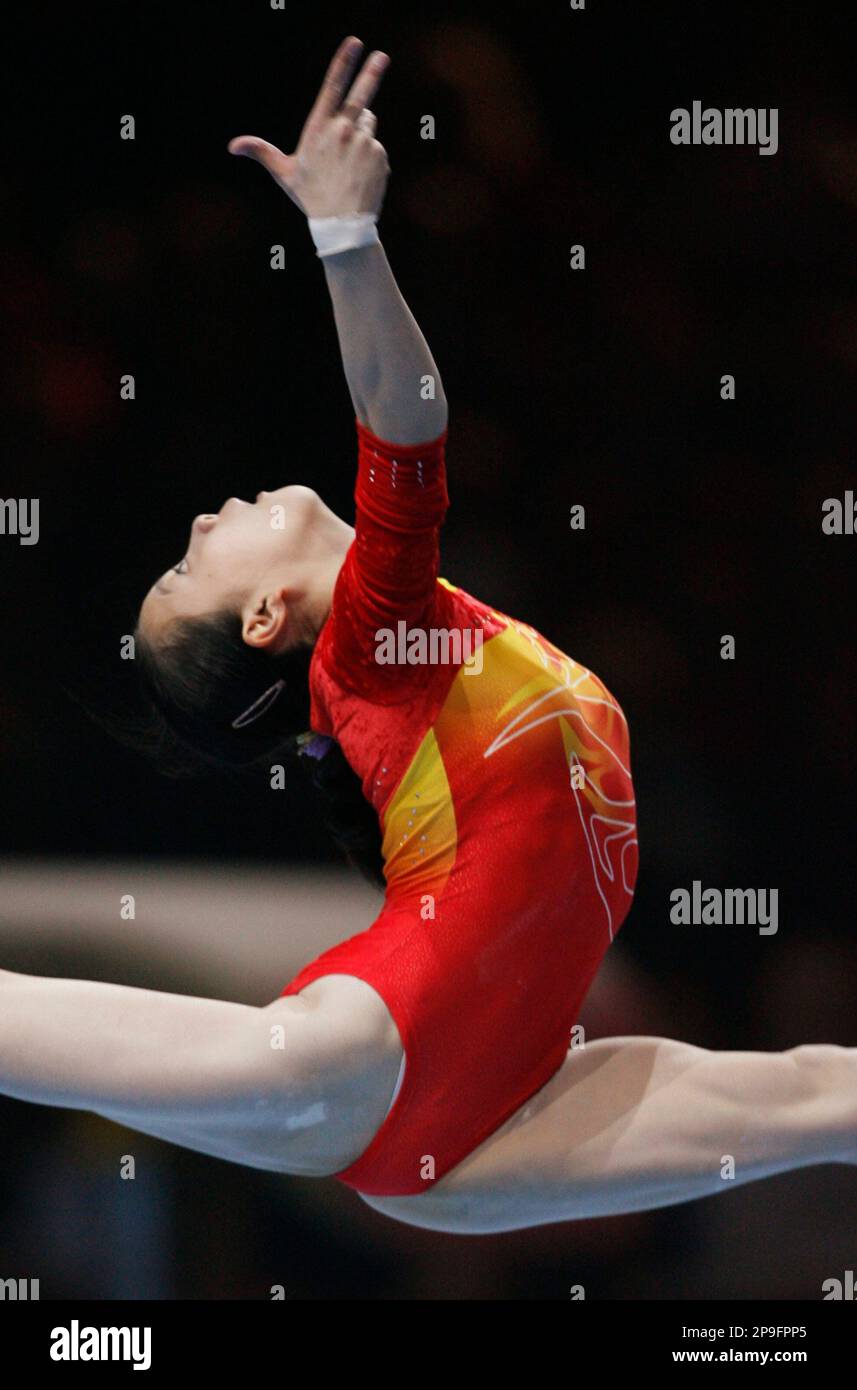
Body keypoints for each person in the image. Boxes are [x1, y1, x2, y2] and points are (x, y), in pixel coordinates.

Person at [2, 36, 853, 1237]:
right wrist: (345, 237)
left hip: (489, 1137)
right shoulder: (368, 639)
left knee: (829, 1089)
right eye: (189, 561)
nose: (200, 517)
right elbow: (405, 426)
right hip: (355, 1072)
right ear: (264, 620)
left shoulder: (407, 668)